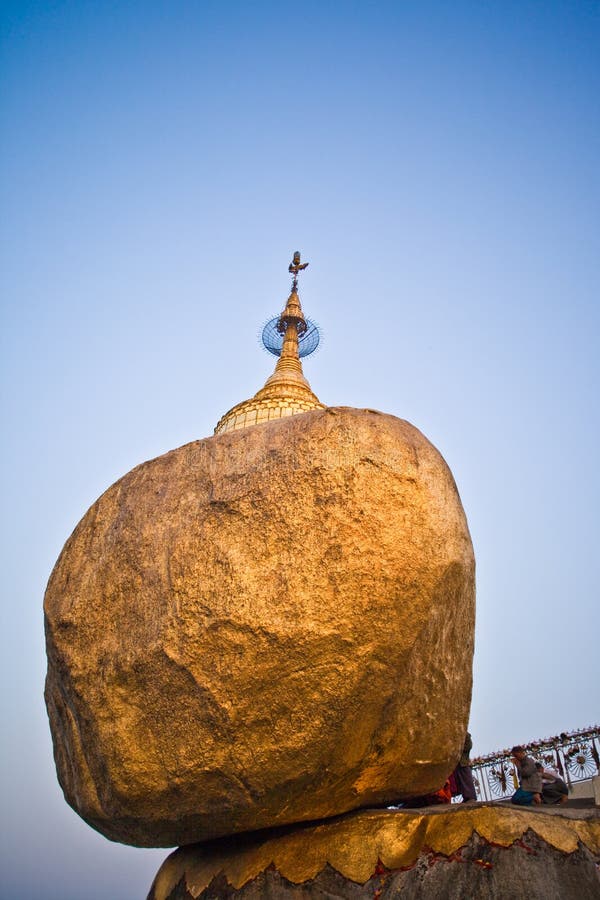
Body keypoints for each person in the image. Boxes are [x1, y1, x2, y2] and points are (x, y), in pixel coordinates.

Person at [453, 732, 477, 802]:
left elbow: (469, 745)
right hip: (458, 762)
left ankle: (471, 797)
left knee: (466, 780)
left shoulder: (465, 734)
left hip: (463, 761)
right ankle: (466, 797)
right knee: (461, 781)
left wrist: (459, 750)